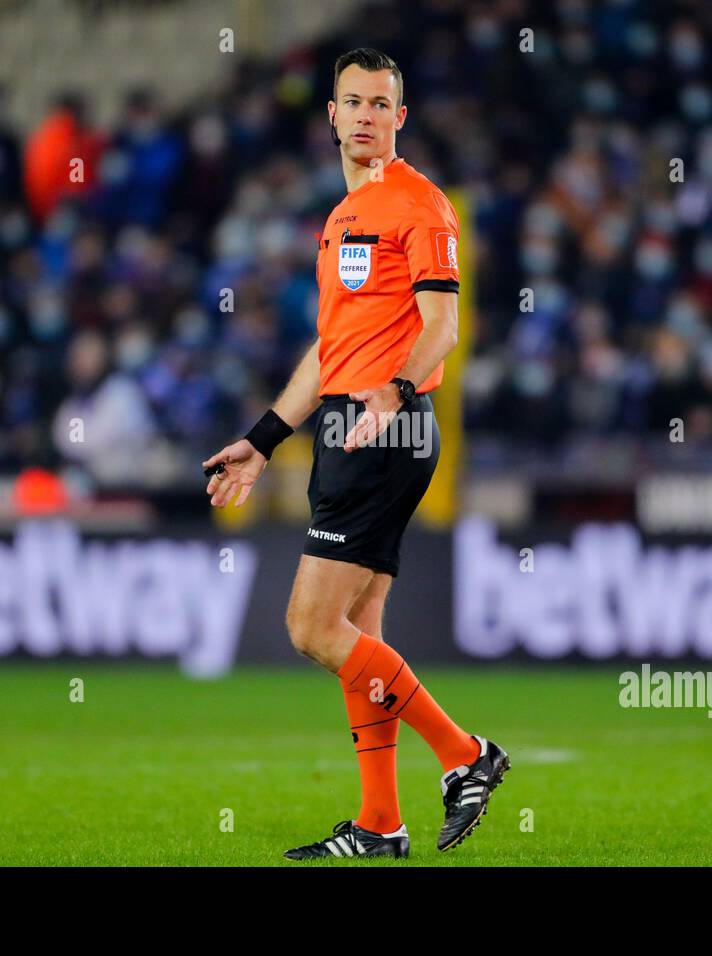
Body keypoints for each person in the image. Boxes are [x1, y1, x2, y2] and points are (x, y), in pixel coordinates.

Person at [202, 48, 509, 860]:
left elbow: (442, 326)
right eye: (353, 102)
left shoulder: (420, 205)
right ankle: (381, 823)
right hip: (353, 424)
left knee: (309, 626)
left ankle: (465, 755)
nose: (367, 115)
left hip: (384, 430)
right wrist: (263, 441)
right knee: (356, 630)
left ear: (399, 118)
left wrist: (394, 393)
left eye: (382, 103)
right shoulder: (340, 219)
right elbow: (330, 351)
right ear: (331, 115)